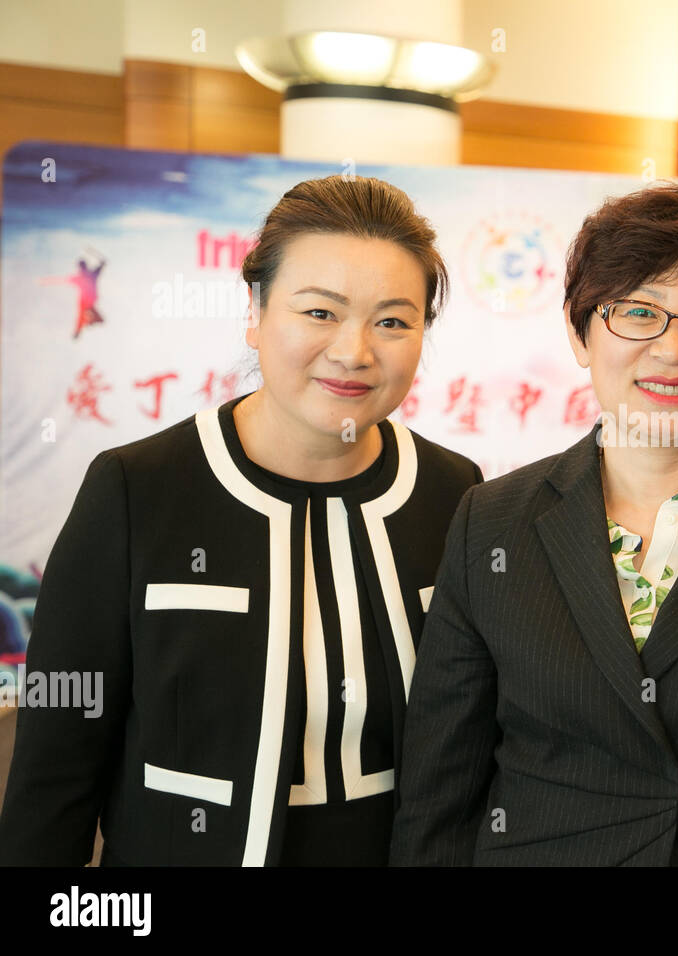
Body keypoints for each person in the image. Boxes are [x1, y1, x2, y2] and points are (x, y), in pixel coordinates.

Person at [0, 176, 482, 866]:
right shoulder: (138, 489)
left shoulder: (453, 492)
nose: (354, 351)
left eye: (393, 321)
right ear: (254, 311)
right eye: (319, 312)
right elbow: (54, 772)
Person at [390, 183, 678, 866]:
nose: (671, 349)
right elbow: (438, 791)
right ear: (581, 333)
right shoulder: (492, 523)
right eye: (637, 312)